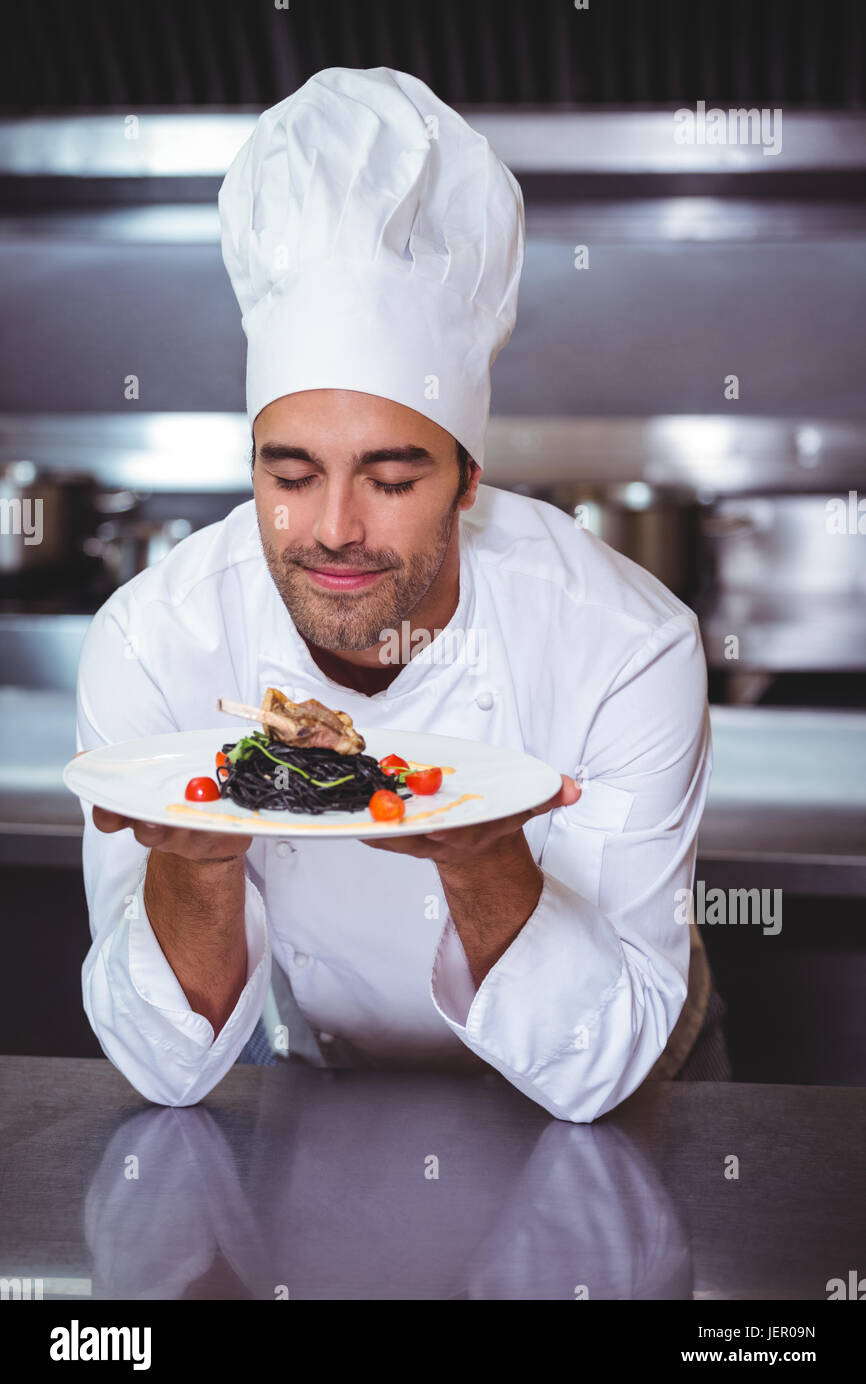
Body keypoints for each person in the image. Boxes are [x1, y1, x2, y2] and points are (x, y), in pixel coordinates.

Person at [75, 67, 729, 1122]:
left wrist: (481, 855)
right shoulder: (157, 638)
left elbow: (600, 1065)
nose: (332, 526)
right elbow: (163, 1069)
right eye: (288, 477)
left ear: (469, 479)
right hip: (329, 1102)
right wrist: (195, 871)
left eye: (389, 479)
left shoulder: (623, 642)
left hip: (624, 1106)